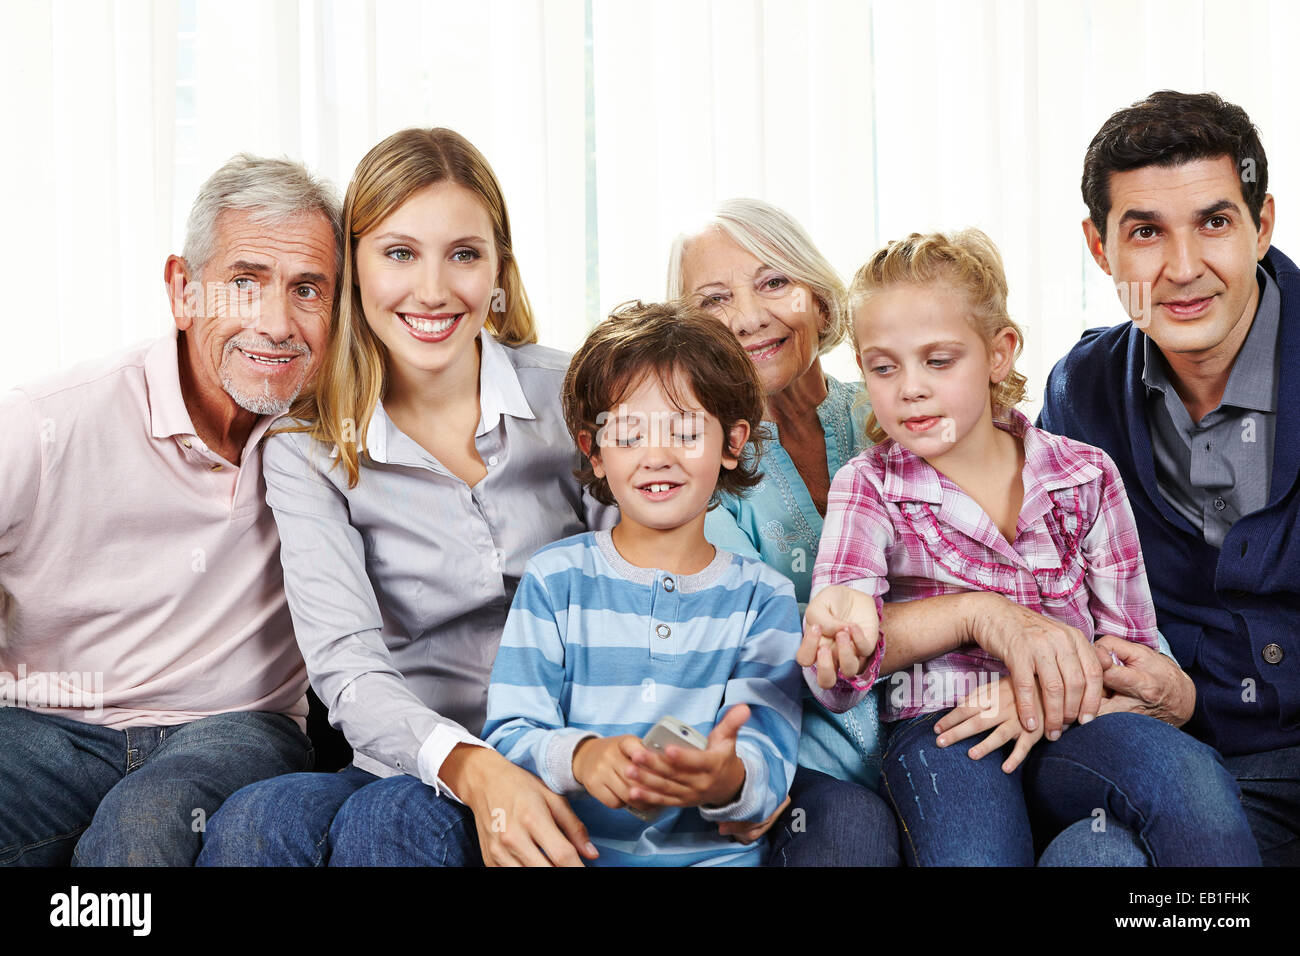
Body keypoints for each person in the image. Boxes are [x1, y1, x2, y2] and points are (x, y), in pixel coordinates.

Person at [198, 127, 615, 868]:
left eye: (463, 253)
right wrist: (474, 769)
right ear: (354, 269)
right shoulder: (307, 443)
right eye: (398, 253)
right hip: (412, 754)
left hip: (572, 742)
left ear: (498, 271)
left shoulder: (573, 393)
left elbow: (641, 584)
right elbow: (346, 663)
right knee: (257, 821)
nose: (431, 289)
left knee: (387, 823)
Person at [803, 227, 1259, 866]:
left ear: (998, 353)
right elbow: (838, 675)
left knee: (1189, 782)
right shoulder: (868, 487)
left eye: (939, 360)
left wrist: (1039, 695)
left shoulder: (1085, 474)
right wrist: (840, 642)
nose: (910, 388)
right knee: (974, 855)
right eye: (883, 366)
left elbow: (1134, 647)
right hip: (947, 732)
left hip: (1082, 722)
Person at [0, 155, 340, 865]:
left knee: (144, 827)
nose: (276, 323)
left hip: (234, 729)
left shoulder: (332, 435)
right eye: (244, 283)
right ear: (183, 291)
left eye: (306, 290)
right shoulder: (43, 423)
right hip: (46, 728)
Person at [1040, 90, 1300, 866]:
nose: (1183, 270)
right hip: (1205, 774)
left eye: (1215, 223)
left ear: (1262, 225)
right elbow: (1056, 590)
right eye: (1146, 232)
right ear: (1099, 248)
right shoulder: (1079, 391)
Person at [482, 301, 802, 866]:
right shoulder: (556, 580)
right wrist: (581, 757)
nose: (656, 457)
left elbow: (768, 764)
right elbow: (509, 734)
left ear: (732, 443)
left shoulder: (764, 599)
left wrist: (724, 778)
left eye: (685, 432)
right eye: (628, 435)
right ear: (594, 452)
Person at [669, 200, 899, 864]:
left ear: (823, 303)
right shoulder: (695, 461)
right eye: (715, 300)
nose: (748, 317)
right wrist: (961, 616)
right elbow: (758, 633)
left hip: (941, 730)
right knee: (851, 834)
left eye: (775, 282)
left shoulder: (901, 408)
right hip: (791, 758)